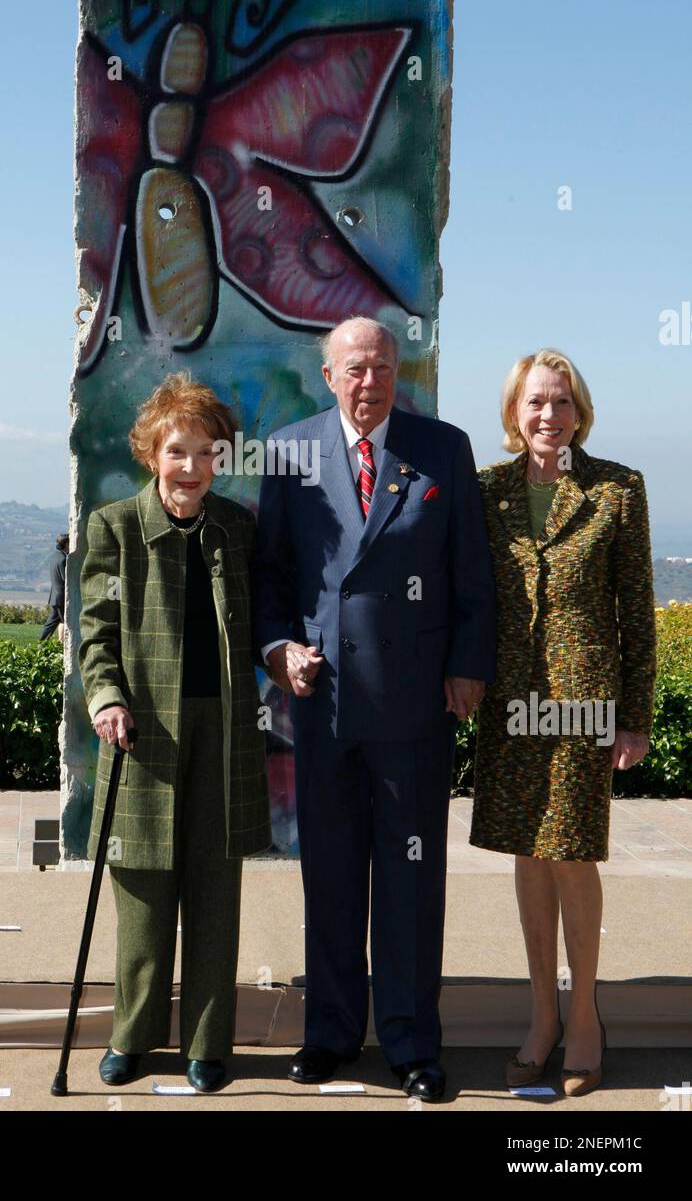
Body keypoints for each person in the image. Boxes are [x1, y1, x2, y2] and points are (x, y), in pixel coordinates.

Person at [254, 316, 496, 1100]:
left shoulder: (443, 449)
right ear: (328, 376)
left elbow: (472, 574)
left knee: (410, 881)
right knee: (329, 878)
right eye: (355, 368)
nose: (370, 382)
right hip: (321, 707)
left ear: (402, 373)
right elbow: (270, 580)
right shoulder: (289, 450)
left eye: (383, 368)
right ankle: (328, 1032)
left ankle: (411, 1043)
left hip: (415, 707)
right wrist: (277, 649)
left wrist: (467, 667)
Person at [470, 348, 657, 1097]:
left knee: (571, 852)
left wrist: (635, 717)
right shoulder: (485, 491)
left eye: (563, 401)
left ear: (581, 410)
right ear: (515, 412)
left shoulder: (617, 491)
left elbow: (635, 612)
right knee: (527, 850)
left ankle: (584, 1015)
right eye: (536, 402)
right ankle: (541, 1014)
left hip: (583, 702)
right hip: (510, 698)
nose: (549, 415)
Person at [78, 373, 272, 1093]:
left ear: (219, 459)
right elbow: (96, 633)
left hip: (223, 732)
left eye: (204, 453)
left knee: (216, 896)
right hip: (144, 734)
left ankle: (207, 1046)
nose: (190, 467)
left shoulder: (237, 528)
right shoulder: (114, 528)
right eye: (176, 452)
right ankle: (132, 1037)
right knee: (144, 897)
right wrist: (105, 698)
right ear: (152, 455)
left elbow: (263, 623)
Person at [40, 533, 69, 641]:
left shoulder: (55, 556)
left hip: (55, 596)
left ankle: (42, 643)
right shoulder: (63, 559)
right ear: (66, 544)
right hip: (61, 596)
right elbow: (65, 578)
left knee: (52, 622)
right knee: (67, 621)